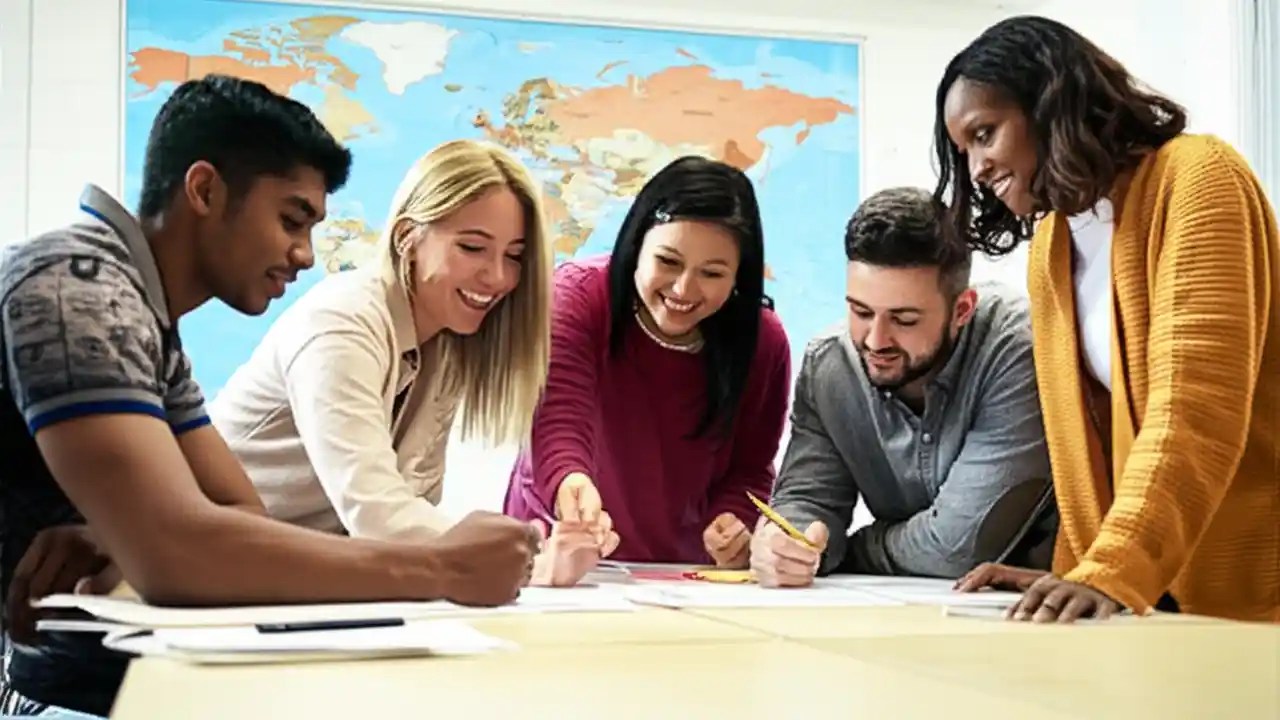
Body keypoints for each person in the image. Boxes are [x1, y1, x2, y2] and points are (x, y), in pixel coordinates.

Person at [0, 75, 540, 717]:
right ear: (204, 190)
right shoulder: (79, 290)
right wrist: (442, 569)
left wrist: (128, 536)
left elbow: (239, 514)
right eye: (291, 219)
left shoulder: (151, 325)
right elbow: (177, 554)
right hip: (55, 678)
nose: (306, 255)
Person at [935, 16, 1279, 623]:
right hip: (1161, 605)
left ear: (1048, 101)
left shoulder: (1198, 178)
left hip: (1253, 590)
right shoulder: (1051, 246)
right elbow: (1084, 454)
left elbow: (1195, 411)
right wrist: (1074, 574)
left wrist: (1114, 569)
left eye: (985, 133)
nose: (978, 168)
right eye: (964, 152)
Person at [209, 139, 599, 585]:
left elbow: (412, 505)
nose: (498, 277)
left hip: (296, 576)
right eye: (472, 247)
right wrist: (529, 559)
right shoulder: (342, 322)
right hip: (219, 571)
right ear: (407, 237)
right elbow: (377, 515)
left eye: (513, 256)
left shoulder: (448, 339)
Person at [748, 187, 1055, 588]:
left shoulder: (1017, 348)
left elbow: (957, 547)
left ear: (962, 309)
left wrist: (854, 548)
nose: (876, 340)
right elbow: (808, 501)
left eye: (904, 319)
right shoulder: (830, 365)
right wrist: (788, 543)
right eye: (860, 311)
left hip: (1043, 607)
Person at [503, 156, 792, 566]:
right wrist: (573, 486)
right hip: (551, 553)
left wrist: (734, 522)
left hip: (679, 575)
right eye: (668, 262)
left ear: (739, 276)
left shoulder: (763, 341)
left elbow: (750, 466)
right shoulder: (576, 297)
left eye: (712, 273)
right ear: (637, 243)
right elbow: (557, 419)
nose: (683, 288)